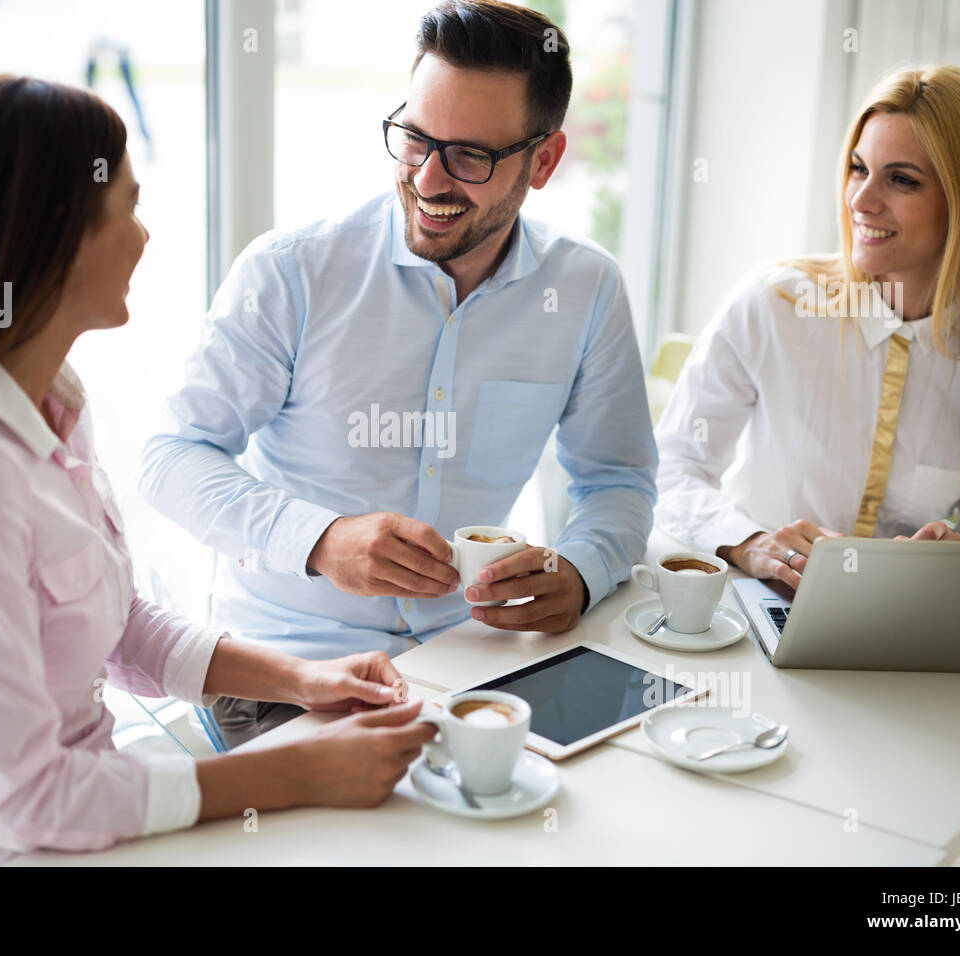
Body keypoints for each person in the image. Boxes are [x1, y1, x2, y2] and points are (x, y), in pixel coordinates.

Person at [0, 75, 434, 867]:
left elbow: (117, 627)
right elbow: (23, 802)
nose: (144, 237)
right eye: (125, 209)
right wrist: (293, 772)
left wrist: (303, 680)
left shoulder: (53, 406)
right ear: (52, 237)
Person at [140, 0, 657, 747]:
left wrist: (580, 569)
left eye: (470, 156)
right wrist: (319, 540)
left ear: (543, 162)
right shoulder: (295, 272)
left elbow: (617, 480)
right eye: (414, 139)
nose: (428, 179)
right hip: (286, 673)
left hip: (475, 662)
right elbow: (170, 456)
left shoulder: (584, 291)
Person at [654, 65, 960, 591]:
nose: (861, 200)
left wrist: (958, 565)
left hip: (900, 631)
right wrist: (751, 543)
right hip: (747, 608)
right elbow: (668, 471)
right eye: (858, 168)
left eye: (902, 179)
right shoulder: (774, 303)